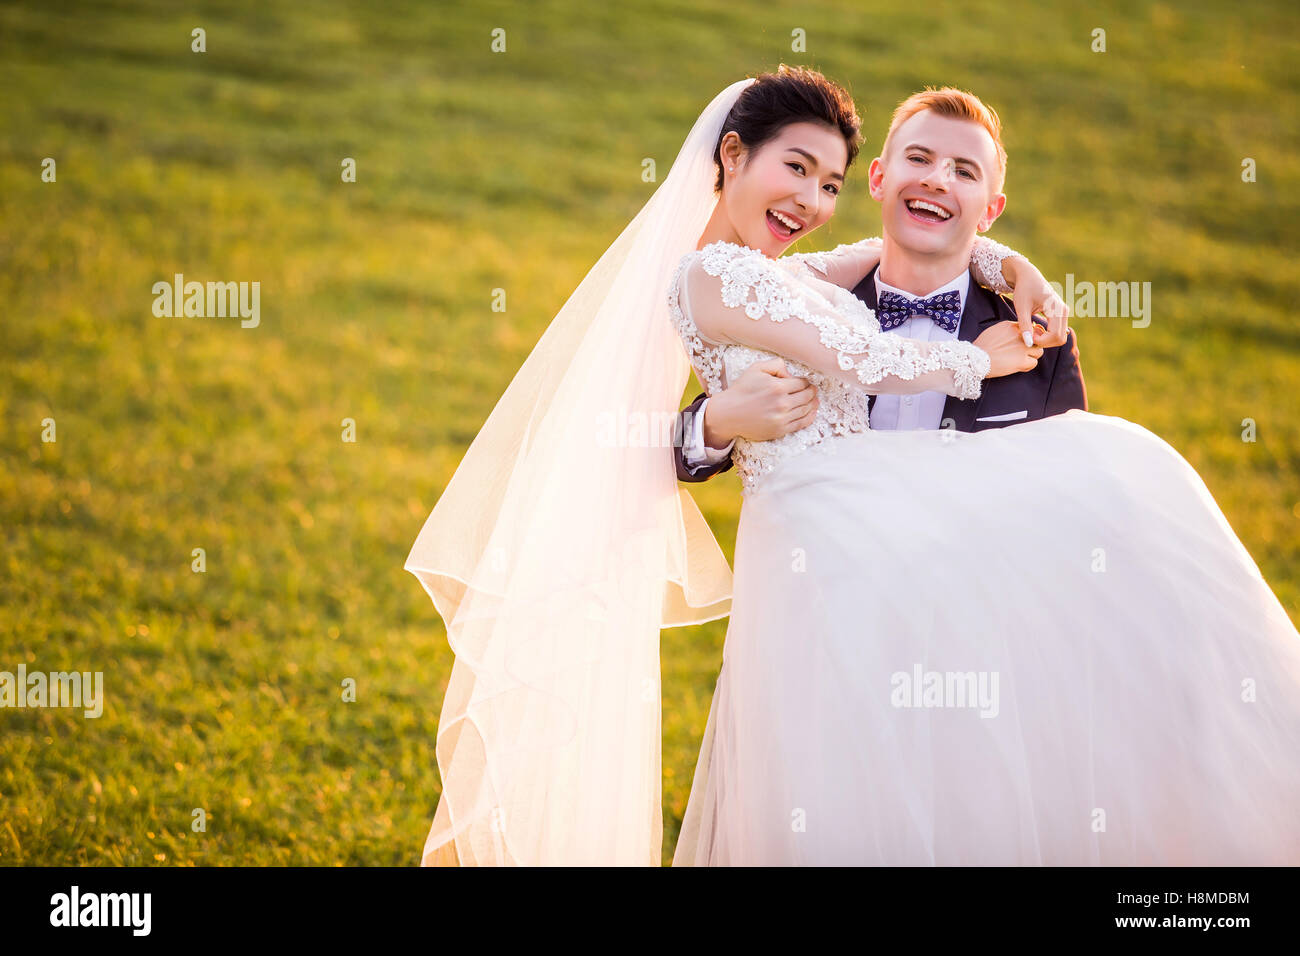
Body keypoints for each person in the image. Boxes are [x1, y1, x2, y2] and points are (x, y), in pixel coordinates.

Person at [404, 68, 1300, 866]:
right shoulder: (729, 280)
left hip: (946, 602)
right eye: (795, 168)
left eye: (825, 181)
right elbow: (862, 362)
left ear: (986, 202)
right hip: (830, 561)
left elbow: (879, 260)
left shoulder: (811, 276)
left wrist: (1008, 261)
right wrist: (723, 419)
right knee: (831, 785)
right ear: (733, 155)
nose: (811, 198)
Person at [674, 87, 1085, 483]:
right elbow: (665, 449)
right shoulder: (802, 300)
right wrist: (714, 423)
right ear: (878, 180)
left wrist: (1013, 267)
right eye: (919, 158)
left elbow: (1069, 494)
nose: (938, 182)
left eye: (963, 171)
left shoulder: (1039, 342)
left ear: (990, 210)